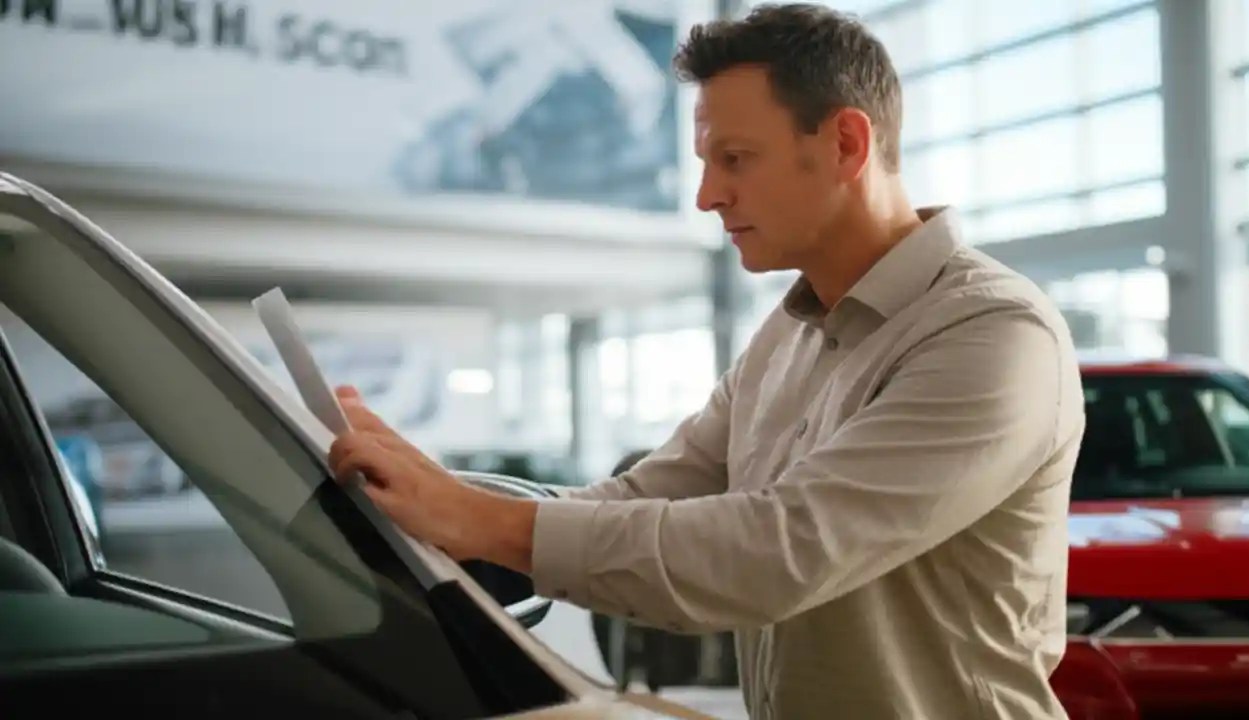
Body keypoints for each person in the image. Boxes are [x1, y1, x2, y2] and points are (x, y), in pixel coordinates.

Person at [327, 4, 1086, 719]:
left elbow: (776, 552)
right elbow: (639, 497)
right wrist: (436, 493)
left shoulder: (993, 334)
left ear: (847, 145)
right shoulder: (786, 337)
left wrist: (478, 520)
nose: (706, 196)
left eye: (735, 158)